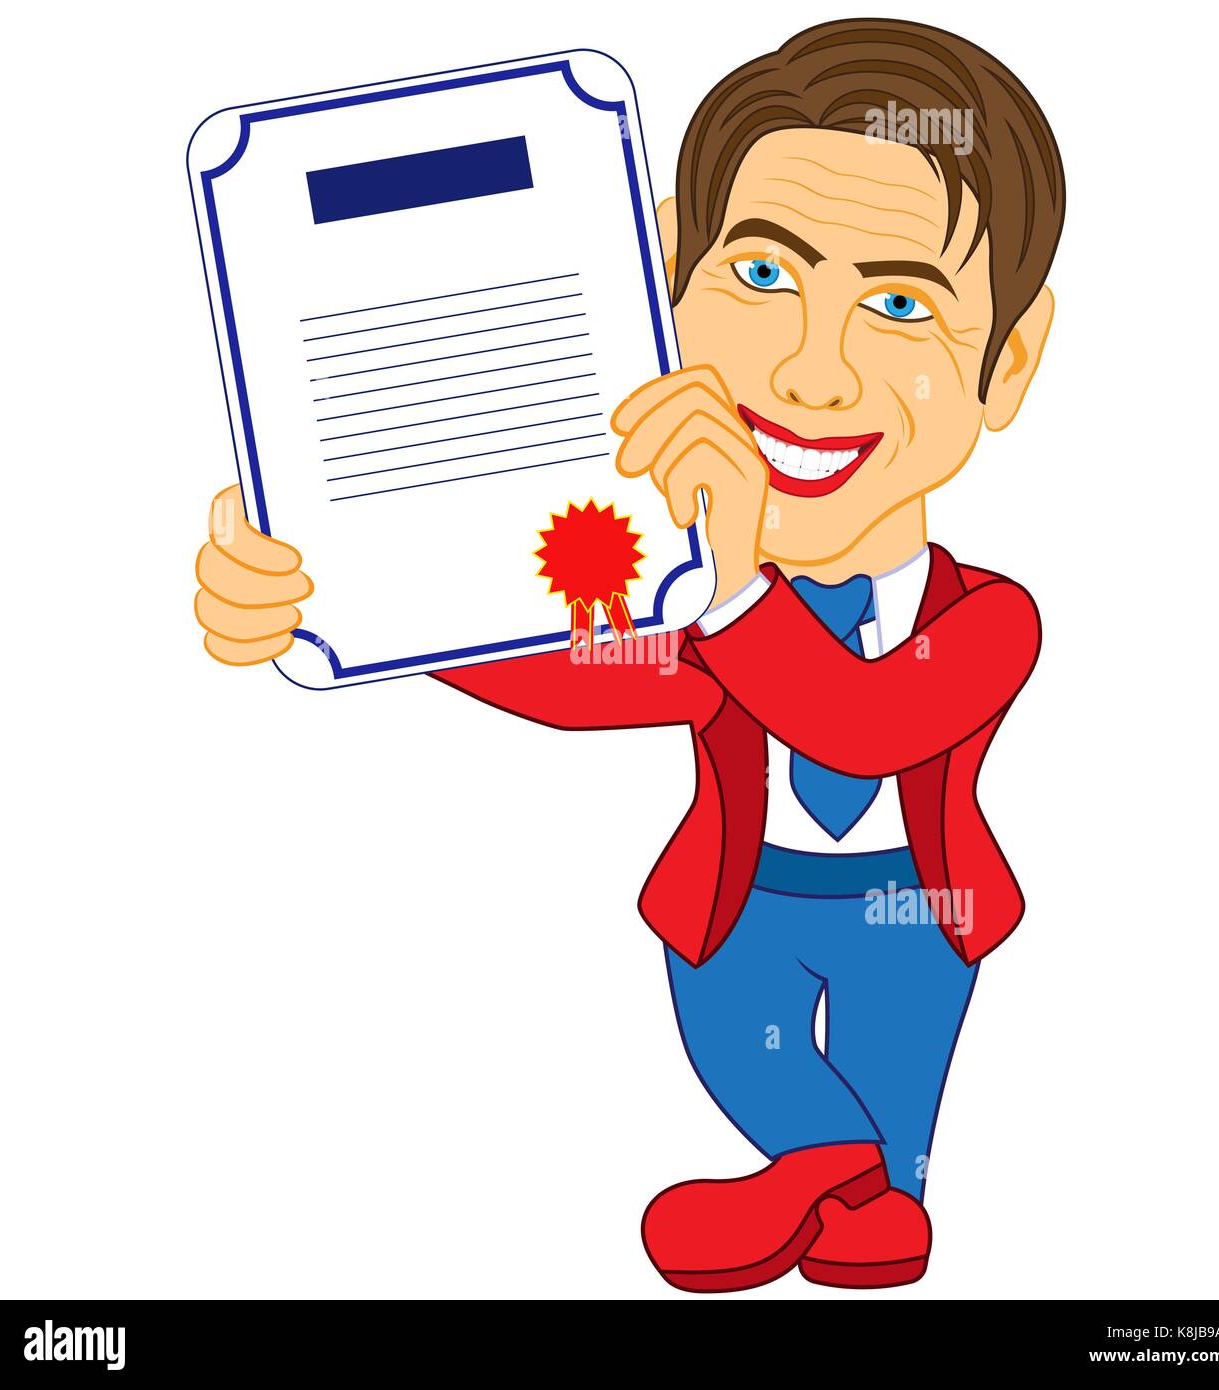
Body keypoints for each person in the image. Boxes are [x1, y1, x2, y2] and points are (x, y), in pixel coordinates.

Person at [194, 18, 1063, 1292]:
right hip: (736, 907)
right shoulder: (696, 605)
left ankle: (872, 1206)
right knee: (749, 1054)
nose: (812, 375)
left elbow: (861, 724)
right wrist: (345, 608)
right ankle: (836, 1179)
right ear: (660, 277)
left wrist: (732, 578)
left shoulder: (986, 617)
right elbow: (567, 679)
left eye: (897, 306)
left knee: (900, 1106)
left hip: (917, 912)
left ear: (1009, 364)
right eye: (760, 276)